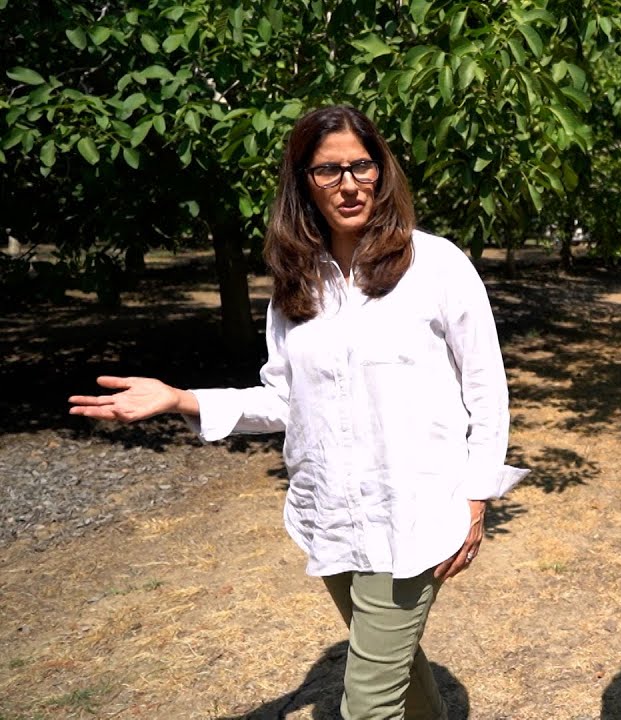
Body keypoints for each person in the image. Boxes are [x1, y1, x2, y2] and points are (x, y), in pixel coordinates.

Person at [69, 105, 526, 720]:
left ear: (382, 170)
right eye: (328, 170)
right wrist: (182, 398)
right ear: (304, 182)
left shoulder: (436, 265)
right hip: (332, 513)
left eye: (361, 166)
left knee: (367, 703)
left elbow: (486, 389)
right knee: (394, 668)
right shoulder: (297, 284)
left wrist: (476, 498)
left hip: (415, 514)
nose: (349, 184)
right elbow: (287, 401)